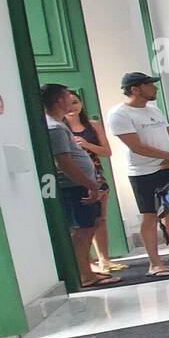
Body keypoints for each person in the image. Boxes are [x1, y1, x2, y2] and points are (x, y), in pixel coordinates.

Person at [106, 72, 169, 276]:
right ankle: (155, 262)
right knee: (149, 215)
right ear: (134, 89)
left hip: (168, 167)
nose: (155, 88)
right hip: (143, 171)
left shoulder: (154, 110)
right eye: (149, 85)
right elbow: (136, 146)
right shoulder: (120, 114)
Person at [42, 84, 119, 288]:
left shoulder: (60, 124)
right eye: (68, 96)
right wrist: (89, 184)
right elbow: (64, 162)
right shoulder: (55, 127)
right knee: (82, 231)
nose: (71, 100)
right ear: (60, 100)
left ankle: (87, 271)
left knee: (90, 225)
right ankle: (84, 275)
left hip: (81, 184)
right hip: (75, 187)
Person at [63, 92, 124, 274]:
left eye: (75, 102)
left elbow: (106, 151)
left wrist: (87, 145)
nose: (73, 107)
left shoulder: (92, 125)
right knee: (81, 223)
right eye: (69, 103)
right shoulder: (60, 128)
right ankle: (86, 262)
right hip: (74, 178)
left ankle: (104, 258)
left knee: (100, 218)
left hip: (97, 175)